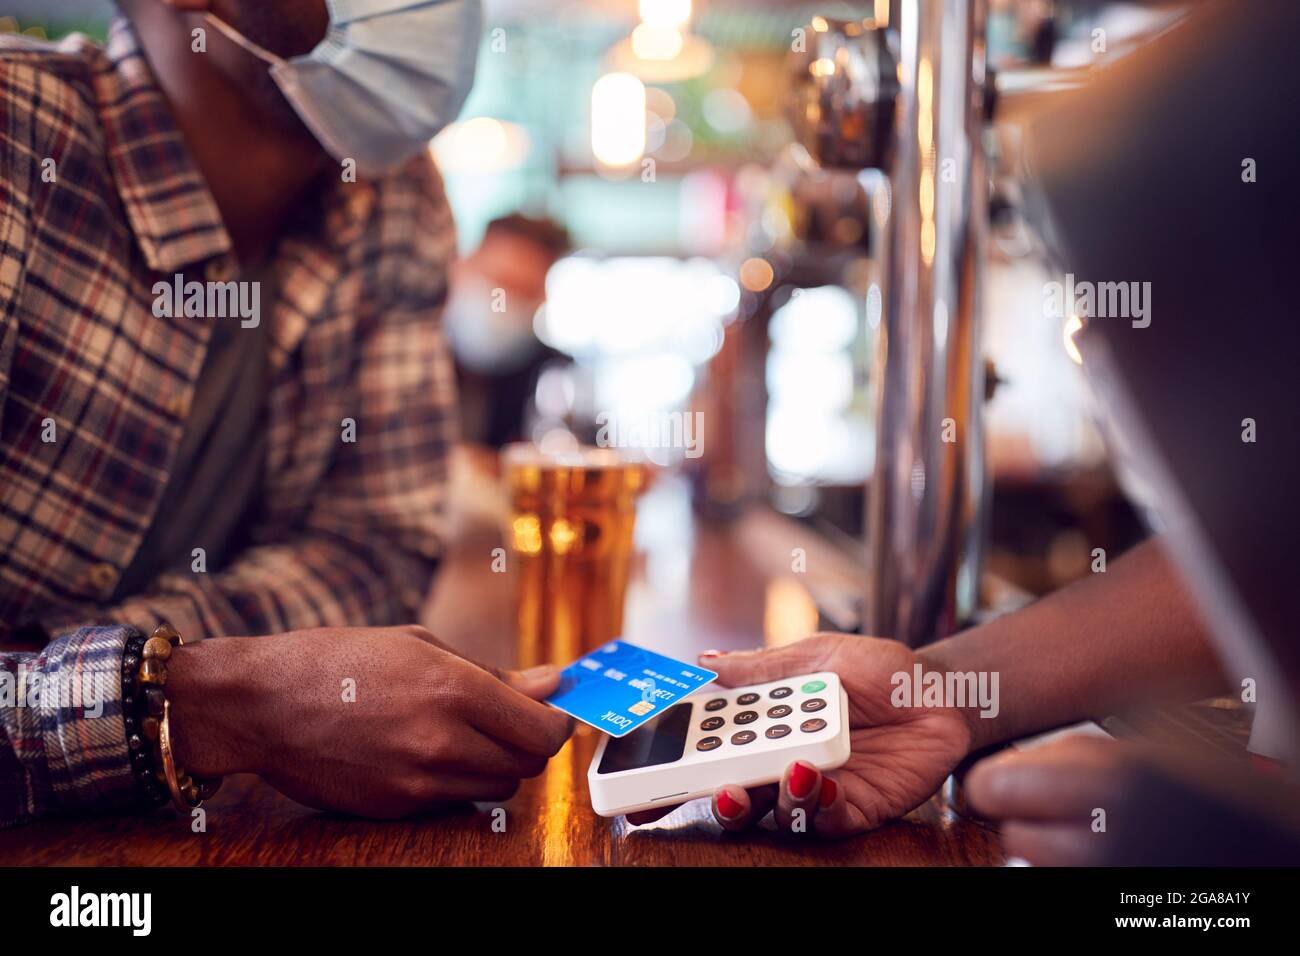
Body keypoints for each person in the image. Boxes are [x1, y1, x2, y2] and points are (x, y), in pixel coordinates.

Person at [0, 0, 570, 826]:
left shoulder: (396, 197)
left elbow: (373, 555)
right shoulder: (18, 147)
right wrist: (197, 704)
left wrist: (88, 678)